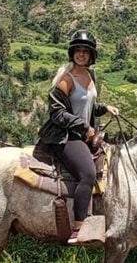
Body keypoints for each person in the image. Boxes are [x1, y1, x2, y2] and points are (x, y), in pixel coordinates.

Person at [36, 29, 119, 245]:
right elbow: (57, 113)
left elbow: (86, 106)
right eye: (78, 50)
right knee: (88, 174)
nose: (81, 54)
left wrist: (105, 108)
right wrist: (84, 128)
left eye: (86, 51)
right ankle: (79, 228)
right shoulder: (66, 79)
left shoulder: (90, 76)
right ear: (72, 53)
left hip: (81, 133)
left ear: (91, 55)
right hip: (65, 136)